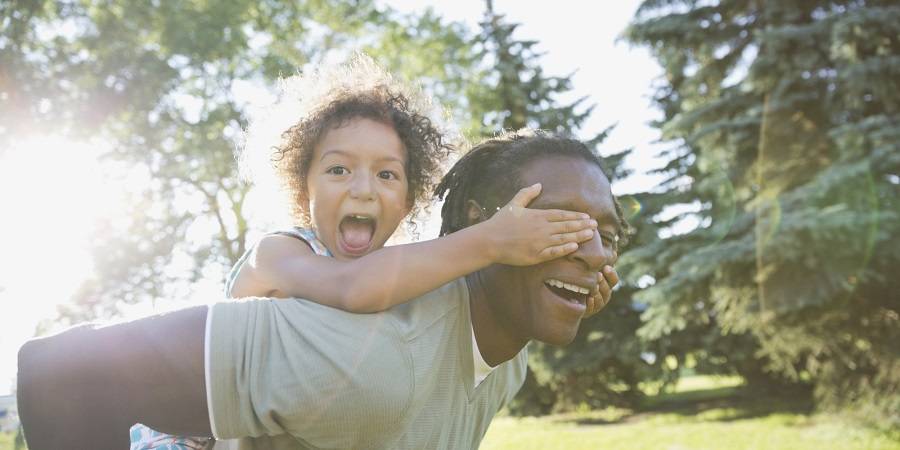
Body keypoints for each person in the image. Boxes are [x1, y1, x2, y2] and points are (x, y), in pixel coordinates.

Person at [17, 129, 629, 450]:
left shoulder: (507, 354)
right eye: (560, 225)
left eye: (606, 234)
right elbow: (59, 372)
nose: (595, 252)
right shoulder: (363, 352)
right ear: (482, 226)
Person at [129, 56, 602, 449]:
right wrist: (491, 240)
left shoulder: (397, 273)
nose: (362, 190)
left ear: (409, 196)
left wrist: (570, 286)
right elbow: (352, 289)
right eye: (338, 170)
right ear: (303, 185)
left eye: (387, 174)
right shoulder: (278, 254)